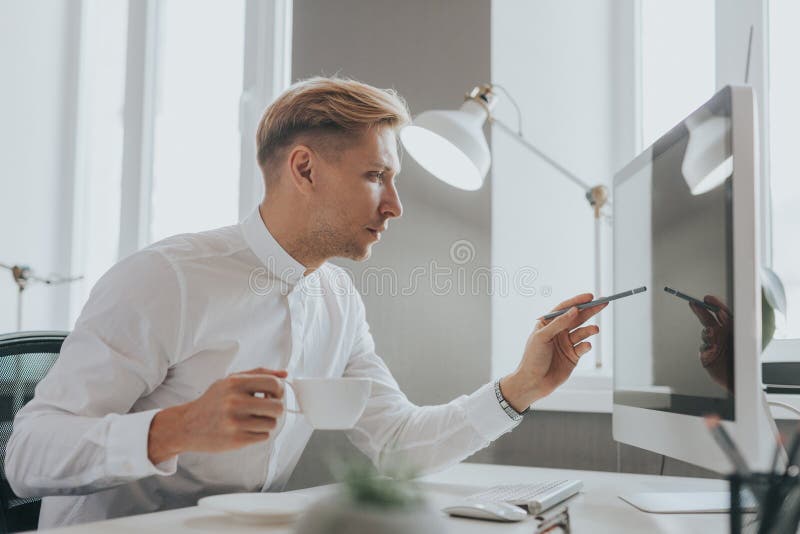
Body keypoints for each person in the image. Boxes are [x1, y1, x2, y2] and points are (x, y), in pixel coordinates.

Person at [5, 77, 605, 528]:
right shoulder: (166, 279)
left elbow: (396, 442)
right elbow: (27, 457)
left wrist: (520, 387)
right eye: (377, 176)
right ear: (304, 169)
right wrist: (177, 428)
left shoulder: (336, 299)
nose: (395, 205)